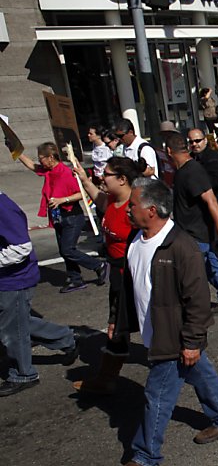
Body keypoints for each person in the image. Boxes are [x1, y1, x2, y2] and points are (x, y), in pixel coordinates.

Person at [110, 179, 218, 466]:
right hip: (154, 332)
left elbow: (197, 300)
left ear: (151, 210)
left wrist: (193, 341)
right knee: (200, 373)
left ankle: (145, 456)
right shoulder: (137, 239)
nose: (128, 210)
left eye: (132, 205)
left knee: (156, 395)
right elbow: (131, 287)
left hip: (172, 337)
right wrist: (118, 321)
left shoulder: (181, 246)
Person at [71, 156, 146, 394]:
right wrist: (83, 179)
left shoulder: (136, 207)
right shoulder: (112, 201)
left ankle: (186, 361)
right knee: (116, 328)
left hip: (134, 276)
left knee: (152, 325)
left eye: (107, 174)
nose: (102, 177)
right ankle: (107, 377)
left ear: (122, 179)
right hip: (118, 275)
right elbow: (98, 198)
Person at [0, 190, 79, 397]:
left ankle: (23, 373)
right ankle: (66, 338)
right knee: (15, 322)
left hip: (15, 280)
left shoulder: (2, 207)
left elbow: (21, 247)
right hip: (6, 279)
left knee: (11, 328)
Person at [15, 142, 109, 293]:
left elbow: (82, 193)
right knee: (64, 250)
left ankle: (98, 265)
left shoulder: (66, 172)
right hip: (57, 216)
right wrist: (15, 151)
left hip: (72, 216)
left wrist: (62, 200)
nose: (40, 162)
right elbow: (31, 166)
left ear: (50, 157)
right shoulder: (48, 171)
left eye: (42, 158)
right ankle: (75, 279)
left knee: (68, 249)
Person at [164, 132, 218, 314]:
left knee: (191, 272)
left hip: (195, 232)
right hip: (192, 231)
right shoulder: (184, 171)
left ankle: (194, 306)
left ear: (168, 151)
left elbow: (211, 200)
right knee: (211, 266)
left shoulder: (192, 171)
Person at [188, 128, 218, 281]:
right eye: (191, 142)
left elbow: (213, 181)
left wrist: (195, 184)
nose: (194, 144)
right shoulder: (192, 158)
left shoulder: (212, 157)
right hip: (207, 208)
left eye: (197, 141)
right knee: (213, 241)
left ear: (204, 140)